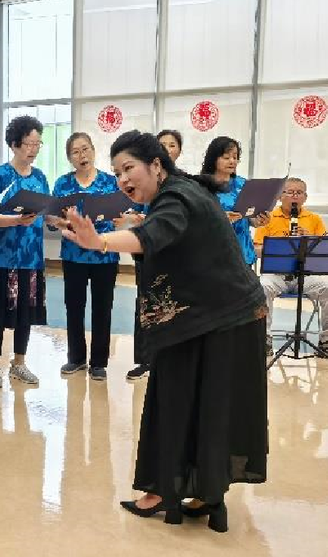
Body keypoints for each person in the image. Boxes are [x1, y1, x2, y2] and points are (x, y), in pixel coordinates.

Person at [64, 130, 268, 533]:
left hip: (222, 318)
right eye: (117, 172)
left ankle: (170, 490)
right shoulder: (180, 191)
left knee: (187, 402)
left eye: (128, 168)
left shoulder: (176, 197)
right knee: (197, 403)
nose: (122, 179)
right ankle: (202, 493)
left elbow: (153, 236)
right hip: (214, 314)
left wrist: (99, 241)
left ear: (156, 165)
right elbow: (161, 233)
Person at [0, 115, 49, 388]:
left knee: (25, 314)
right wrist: (16, 220)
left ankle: (19, 363)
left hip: (31, 257)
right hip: (0, 257)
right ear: (14, 144)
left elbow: (47, 213)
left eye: (37, 144)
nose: (33, 149)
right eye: (29, 143)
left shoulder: (40, 177)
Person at [254, 177, 328, 362]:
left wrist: (310, 239)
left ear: (305, 198)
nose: (294, 196)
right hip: (276, 274)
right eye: (290, 192)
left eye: (299, 193)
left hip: (305, 274)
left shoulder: (314, 219)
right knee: (262, 287)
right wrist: (279, 245)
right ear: (280, 196)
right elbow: (256, 249)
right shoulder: (269, 217)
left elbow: (325, 249)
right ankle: (263, 340)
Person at [49, 132, 119, 382]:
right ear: (70, 158)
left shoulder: (110, 182)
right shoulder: (63, 184)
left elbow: (120, 213)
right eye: (76, 152)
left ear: (94, 150)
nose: (82, 155)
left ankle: (99, 362)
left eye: (86, 149)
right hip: (73, 254)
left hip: (104, 253)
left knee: (103, 307)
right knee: (74, 307)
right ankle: (76, 357)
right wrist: (63, 222)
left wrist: (120, 218)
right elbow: (51, 218)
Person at [124, 129, 183, 381]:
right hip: (147, 250)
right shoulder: (140, 180)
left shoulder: (180, 183)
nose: (167, 148)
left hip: (175, 253)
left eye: (172, 145)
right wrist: (134, 218)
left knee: (173, 304)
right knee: (145, 303)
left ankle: (172, 358)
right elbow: (128, 210)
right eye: (162, 144)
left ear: (178, 151)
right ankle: (145, 359)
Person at [200, 136, 270, 266]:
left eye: (235, 157)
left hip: (242, 252)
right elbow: (195, 219)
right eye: (226, 157)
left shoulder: (243, 184)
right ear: (213, 158)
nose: (232, 161)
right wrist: (221, 218)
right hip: (212, 252)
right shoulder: (200, 185)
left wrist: (258, 220)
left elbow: (249, 216)